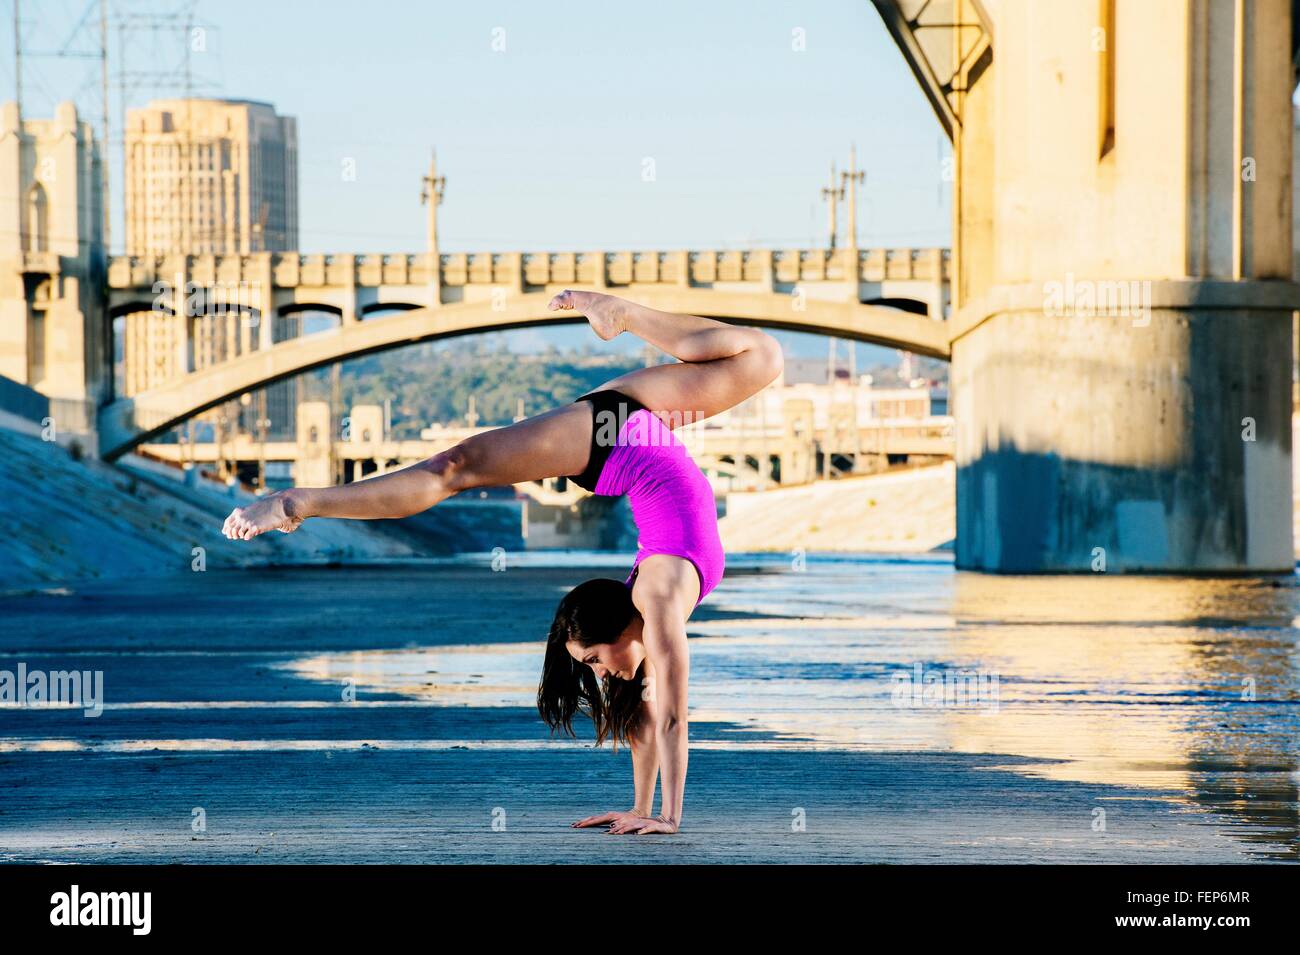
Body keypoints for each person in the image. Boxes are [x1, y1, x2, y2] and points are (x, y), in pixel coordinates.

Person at [221, 290, 784, 834]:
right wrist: (666, 818)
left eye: (589, 662)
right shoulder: (658, 602)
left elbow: (646, 716)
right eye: (592, 660)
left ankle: (622, 313)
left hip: (632, 425)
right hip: (622, 434)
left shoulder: (650, 601)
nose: (598, 671)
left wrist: (645, 811)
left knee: (763, 356)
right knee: (455, 467)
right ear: (617, 626)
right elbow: (672, 720)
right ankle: (297, 503)